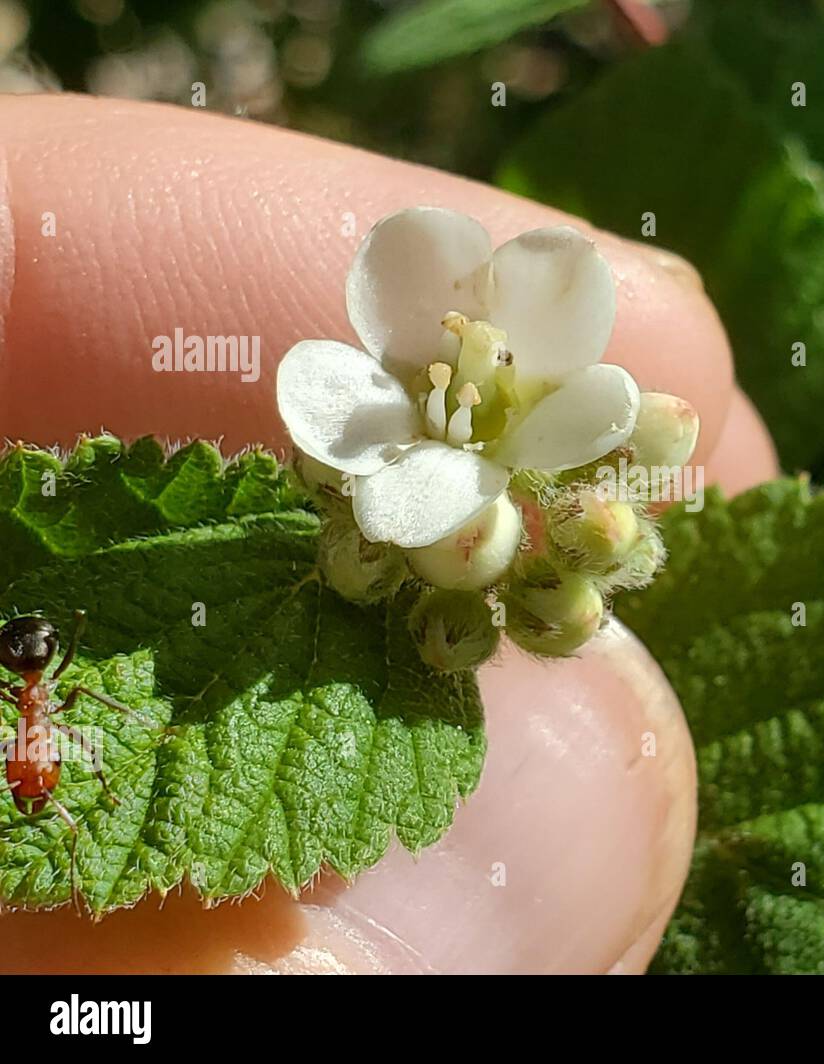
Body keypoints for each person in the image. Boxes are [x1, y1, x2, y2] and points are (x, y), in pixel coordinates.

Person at [0, 93, 778, 974]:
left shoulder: (569, 431)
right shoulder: (412, 481)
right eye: (455, 376)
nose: (470, 378)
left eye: (487, 384)